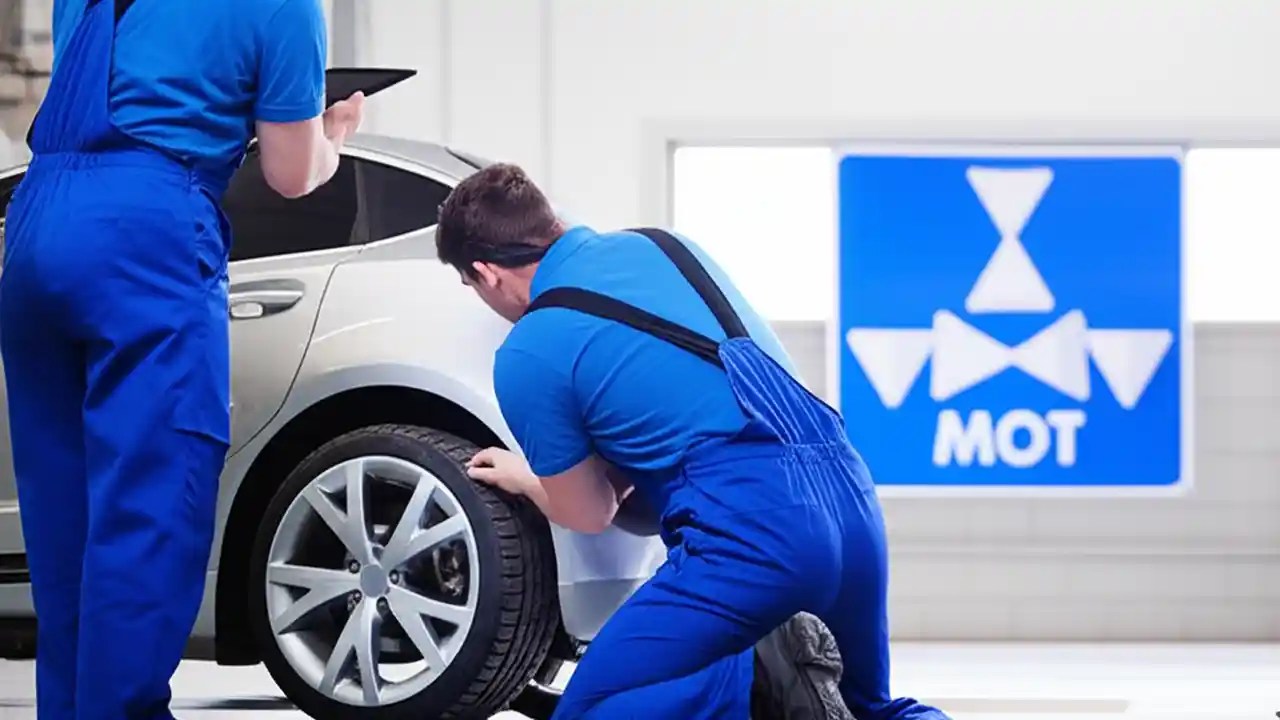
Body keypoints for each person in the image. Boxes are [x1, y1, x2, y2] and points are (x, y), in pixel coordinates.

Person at [438, 163, 949, 720]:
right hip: (849, 491)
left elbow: (587, 511)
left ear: (486, 273)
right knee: (870, 708)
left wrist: (525, 478)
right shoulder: (665, 246)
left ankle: (756, 678)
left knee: (595, 709)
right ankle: (770, 675)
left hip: (755, 525)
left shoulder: (529, 350)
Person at [0, 0, 363, 716]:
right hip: (146, 232)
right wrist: (333, 137)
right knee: (147, 511)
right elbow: (293, 173)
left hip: (36, 227)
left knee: (64, 528)